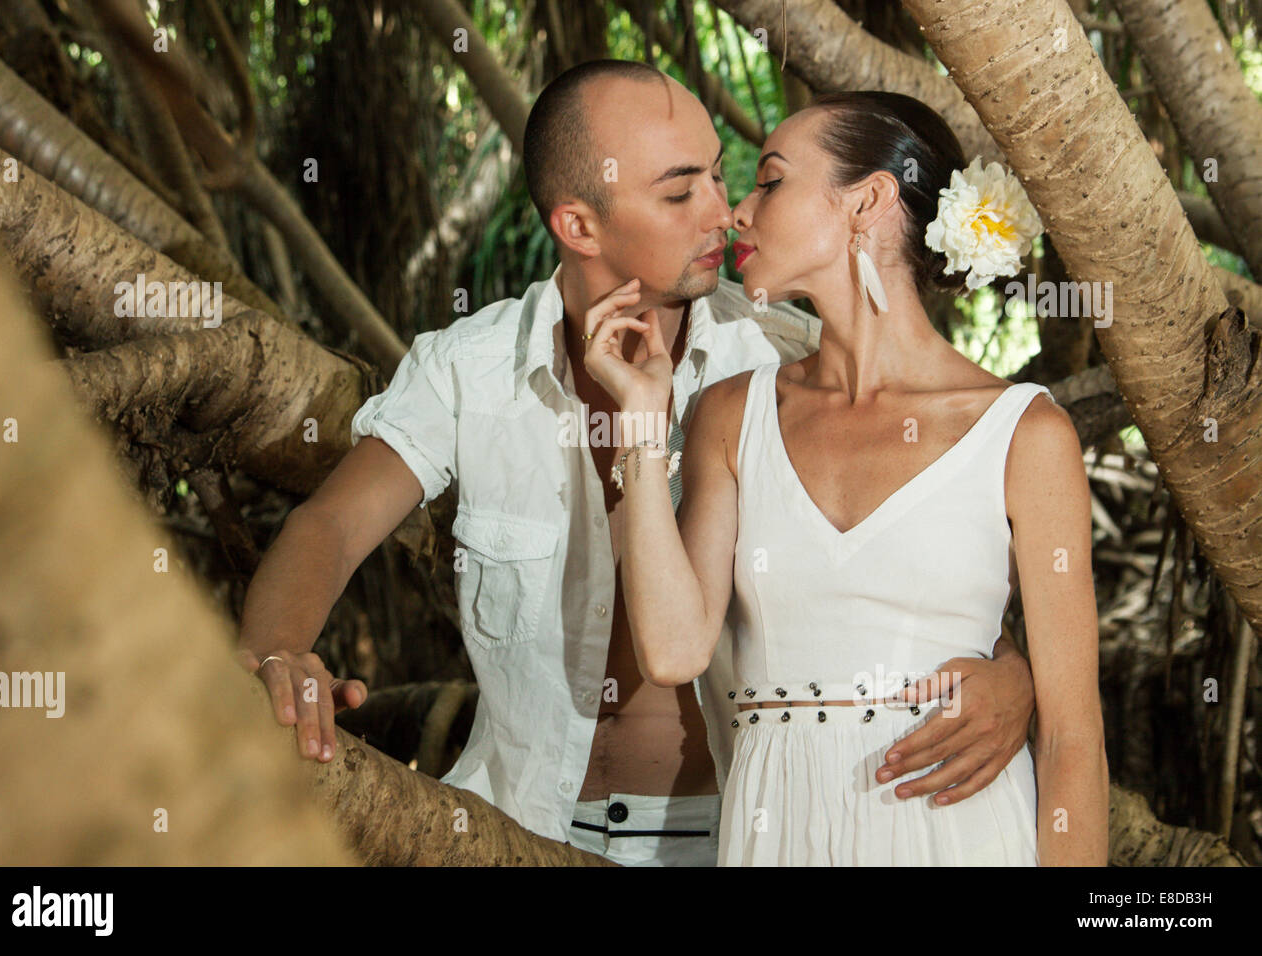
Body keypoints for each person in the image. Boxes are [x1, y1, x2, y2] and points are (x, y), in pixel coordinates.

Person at [235, 63, 1038, 866]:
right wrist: (276, 652)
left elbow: (910, 562)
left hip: (746, 832)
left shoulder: (783, 359)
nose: (726, 213)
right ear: (579, 226)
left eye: (722, 177)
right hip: (521, 830)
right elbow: (332, 525)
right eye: (680, 192)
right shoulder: (470, 371)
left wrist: (1012, 674)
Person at [584, 90, 1108, 865]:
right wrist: (640, 420)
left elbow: (1071, 741)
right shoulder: (731, 417)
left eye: (770, 181)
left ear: (867, 199)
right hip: (777, 832)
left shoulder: (1023, 434)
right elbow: (673, 649)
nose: (737, 213)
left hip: (961, 832)